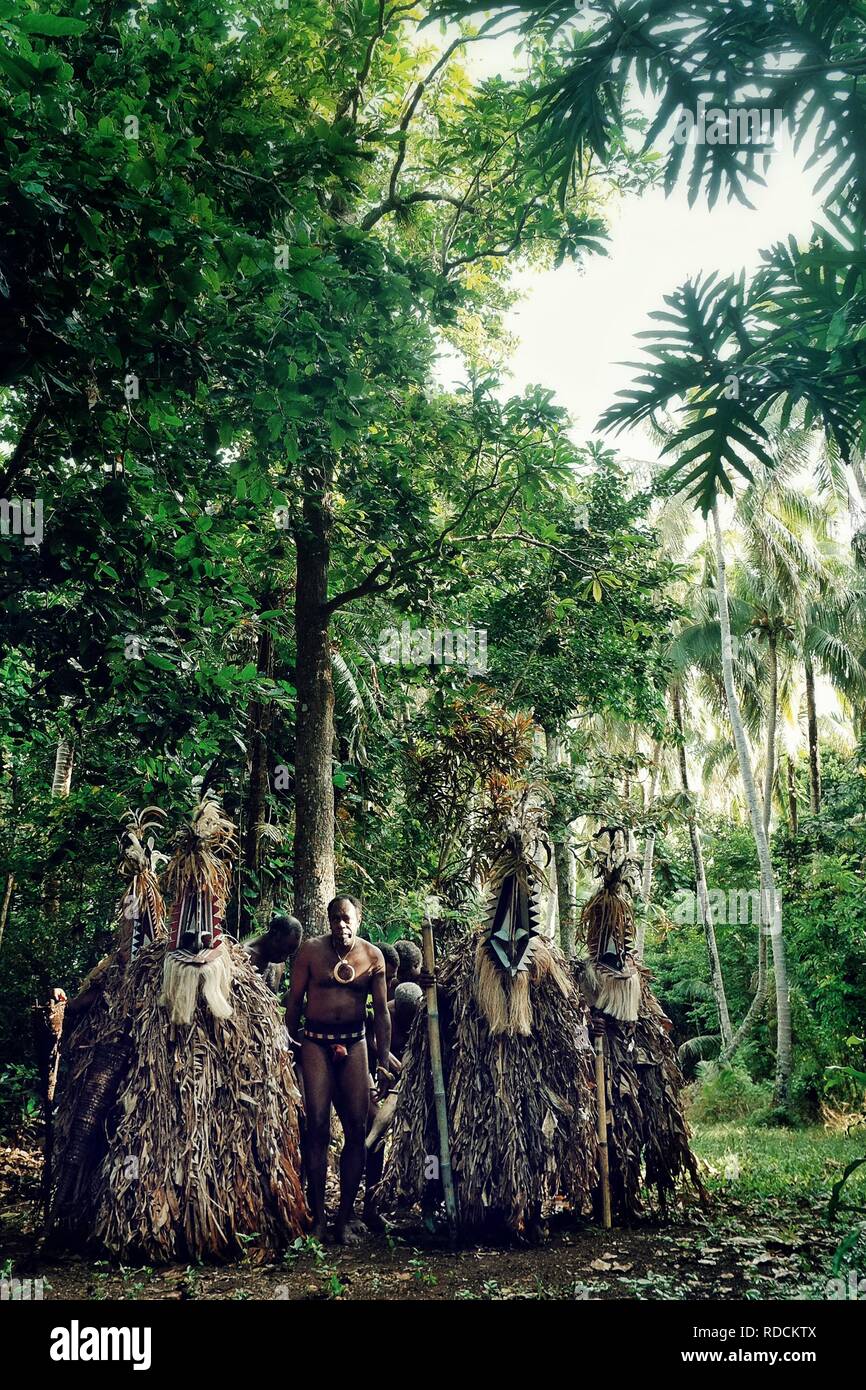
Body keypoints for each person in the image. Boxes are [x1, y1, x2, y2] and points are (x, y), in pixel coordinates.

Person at [286, 894, 392, 1244]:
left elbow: (381, 1011)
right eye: (334, 918)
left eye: (346, 918)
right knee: (317, 1127)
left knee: (358, 1129)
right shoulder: (310, 953)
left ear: (358, 919)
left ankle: (344, 1219)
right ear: (328, 920)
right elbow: (294, 1003)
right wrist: (291, 1046)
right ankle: (318, 1220)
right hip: (316, 1042)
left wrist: (382, 1060)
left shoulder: (372, 957)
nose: (340, 924)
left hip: (355, 1043)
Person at [363, 980, 423, 1231]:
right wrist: (382, 1055)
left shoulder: (424, 1015)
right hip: (380, 1084)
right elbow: (367, 1042)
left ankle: (412, 1195)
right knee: (373, 1139)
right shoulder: (382, 1014)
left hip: (415, 1085)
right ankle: (371, 1203)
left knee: (418, 1139)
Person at [244, 913, 303, 994]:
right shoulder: (243, 955)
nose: (284, 958)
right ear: (274, 934)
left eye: (288, 954)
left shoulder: (278, 962)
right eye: (282, 951)